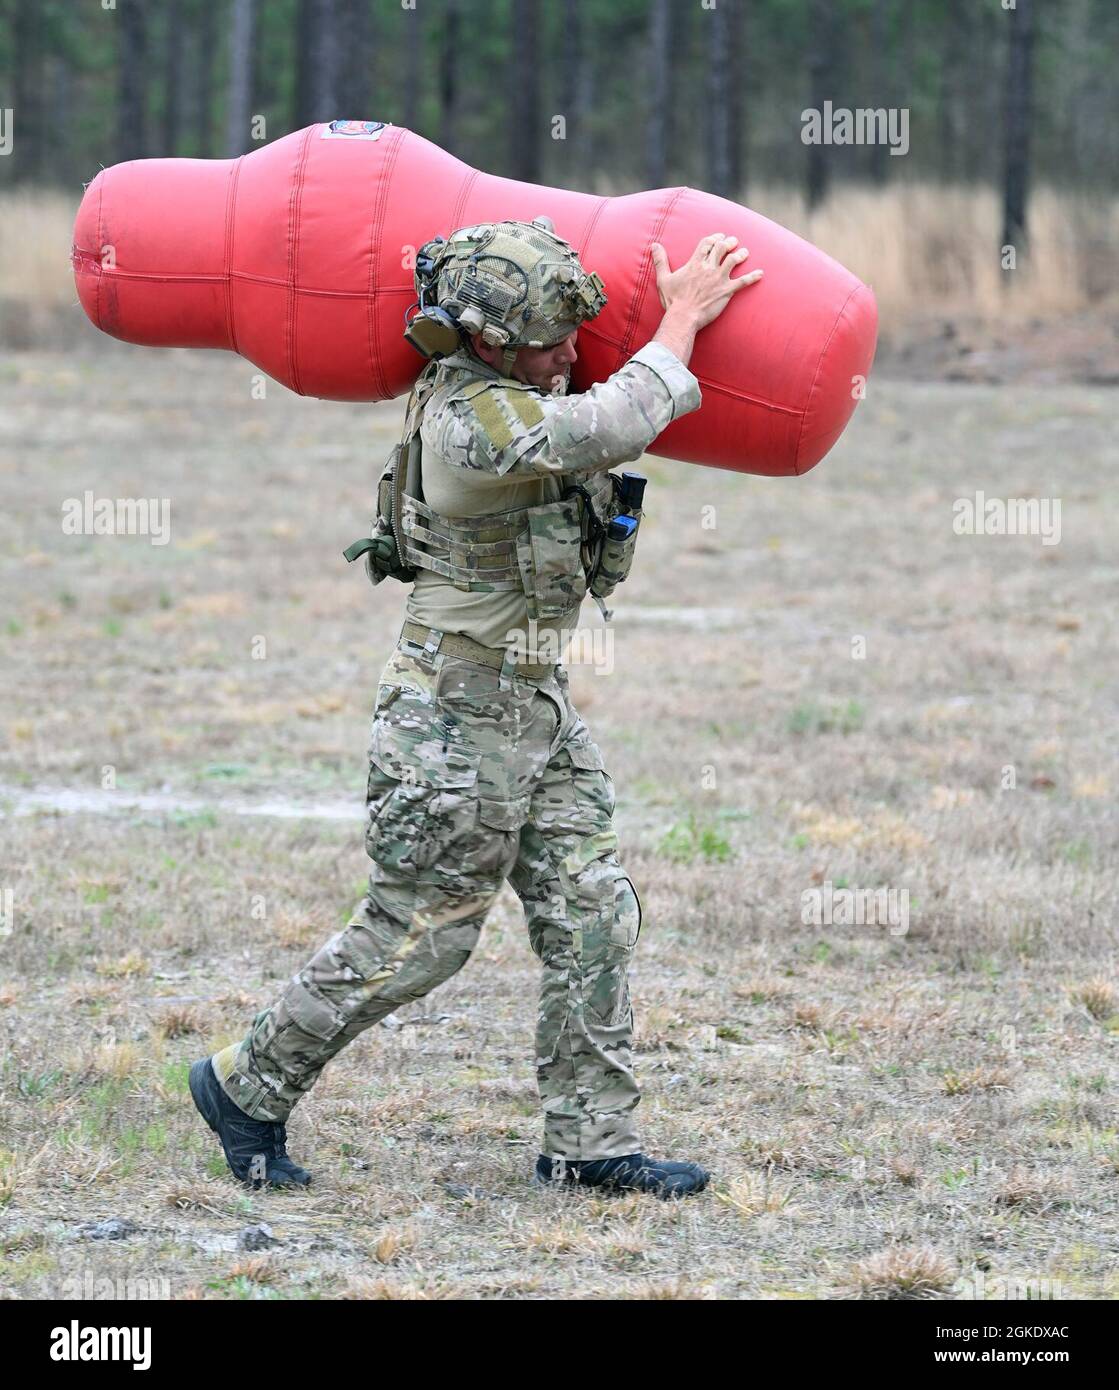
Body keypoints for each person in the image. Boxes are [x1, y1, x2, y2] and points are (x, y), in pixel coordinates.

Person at [189, 218, 762, 1199]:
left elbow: (596, 405)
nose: (568, 356)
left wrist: (650, 297)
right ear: (487, 342)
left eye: (570, 337)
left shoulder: (523, 386)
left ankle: (588, 1143)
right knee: (424, 930)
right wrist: (683, 320)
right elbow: (611, 423)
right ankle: (247, 1084)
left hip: (531, 698)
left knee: (593, 909)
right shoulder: (472, 423)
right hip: (454, 715)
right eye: (547, 342)